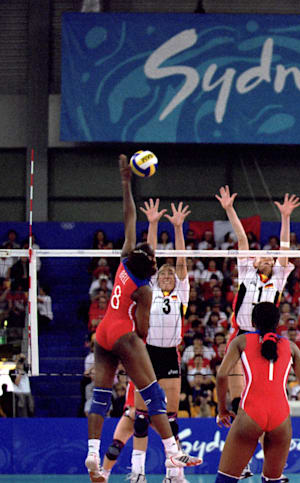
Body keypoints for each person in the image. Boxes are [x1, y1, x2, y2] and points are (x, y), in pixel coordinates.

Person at [85, 156, 200, 482]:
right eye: (155, 264)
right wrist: (136, 340)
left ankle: (93, 453)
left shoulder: (124, 261)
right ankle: (168, 453)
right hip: (131, 337)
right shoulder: (145, 291)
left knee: (102, 395)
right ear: (151, 270)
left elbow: (129, 218)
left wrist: (126, 182)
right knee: (150, 399)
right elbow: (144, 329)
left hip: (104, 331)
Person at [216, 186, 299, 479]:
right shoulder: (246, 272)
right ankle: (246, 461)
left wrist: (285, 217)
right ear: (253, 261)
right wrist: (229, 209)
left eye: (269, 256)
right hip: (242, 337)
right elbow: (241, 238)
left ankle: (271, 466)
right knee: (243, 403)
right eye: (261, 255)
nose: (266, 258)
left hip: (267, 340)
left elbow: (286, 248)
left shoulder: (278, 276)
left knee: (267, 399)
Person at [123, 200, 191, 482]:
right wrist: (152, 223)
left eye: (169, 274)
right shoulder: (149, 289)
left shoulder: (182, 293)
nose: (165, 275)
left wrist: (177, 228)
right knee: (141, 415)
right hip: (147, 353)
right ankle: (137, 472)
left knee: (170, 416)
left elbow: (181, 261)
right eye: (161, 273)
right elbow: (149, 258)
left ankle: (173, 473)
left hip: (169, 355)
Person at [215, 302, 300, 483]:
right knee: (272, 480)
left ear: (253, 322)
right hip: (281, 418)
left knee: (225, 480)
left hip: (250, 414)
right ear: (278, 323)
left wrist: (222, 409)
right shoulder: (292, 347)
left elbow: (222, 375)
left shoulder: (240, 341)